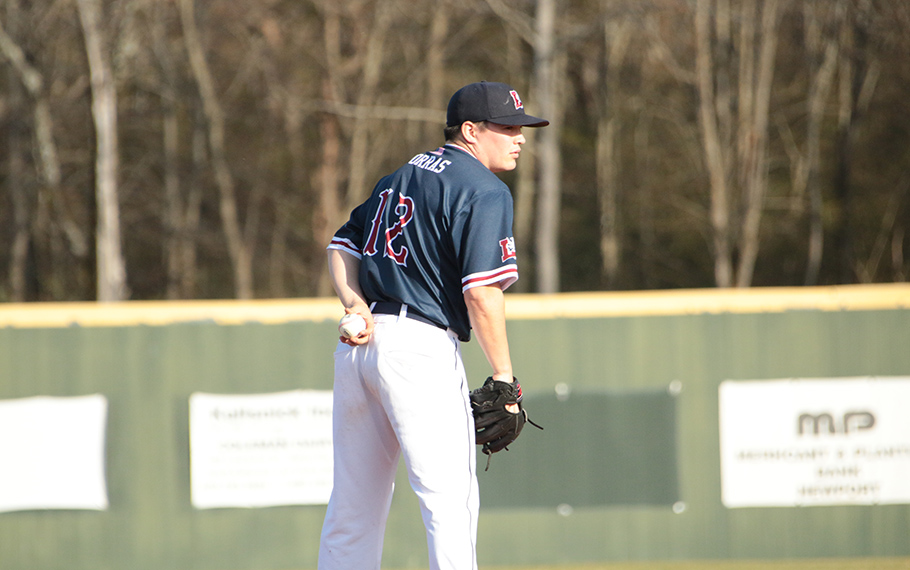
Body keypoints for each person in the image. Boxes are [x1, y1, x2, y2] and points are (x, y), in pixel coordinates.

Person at [319, 81, 548, 570]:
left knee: (353, 508)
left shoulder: (399, 176)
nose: (520, 137)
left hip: (359, 350)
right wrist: (505, 378)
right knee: (449, 502)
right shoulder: (484, 189)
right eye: (507, 127)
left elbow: (341, 245)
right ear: (470, 130)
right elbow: (482, 294)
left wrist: (355, 303)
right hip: (418, 348)